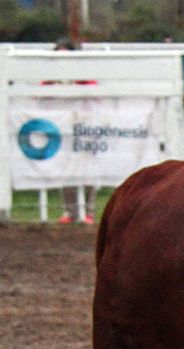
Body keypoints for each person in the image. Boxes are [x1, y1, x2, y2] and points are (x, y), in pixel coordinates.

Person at [49, 37, 98, 225]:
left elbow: (95, 93)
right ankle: (70, 211)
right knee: (66, 169)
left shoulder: (84, 77)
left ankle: (89, 212)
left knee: (89, 169)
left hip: (84, 125)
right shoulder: (50, 78)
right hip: (60, 127)